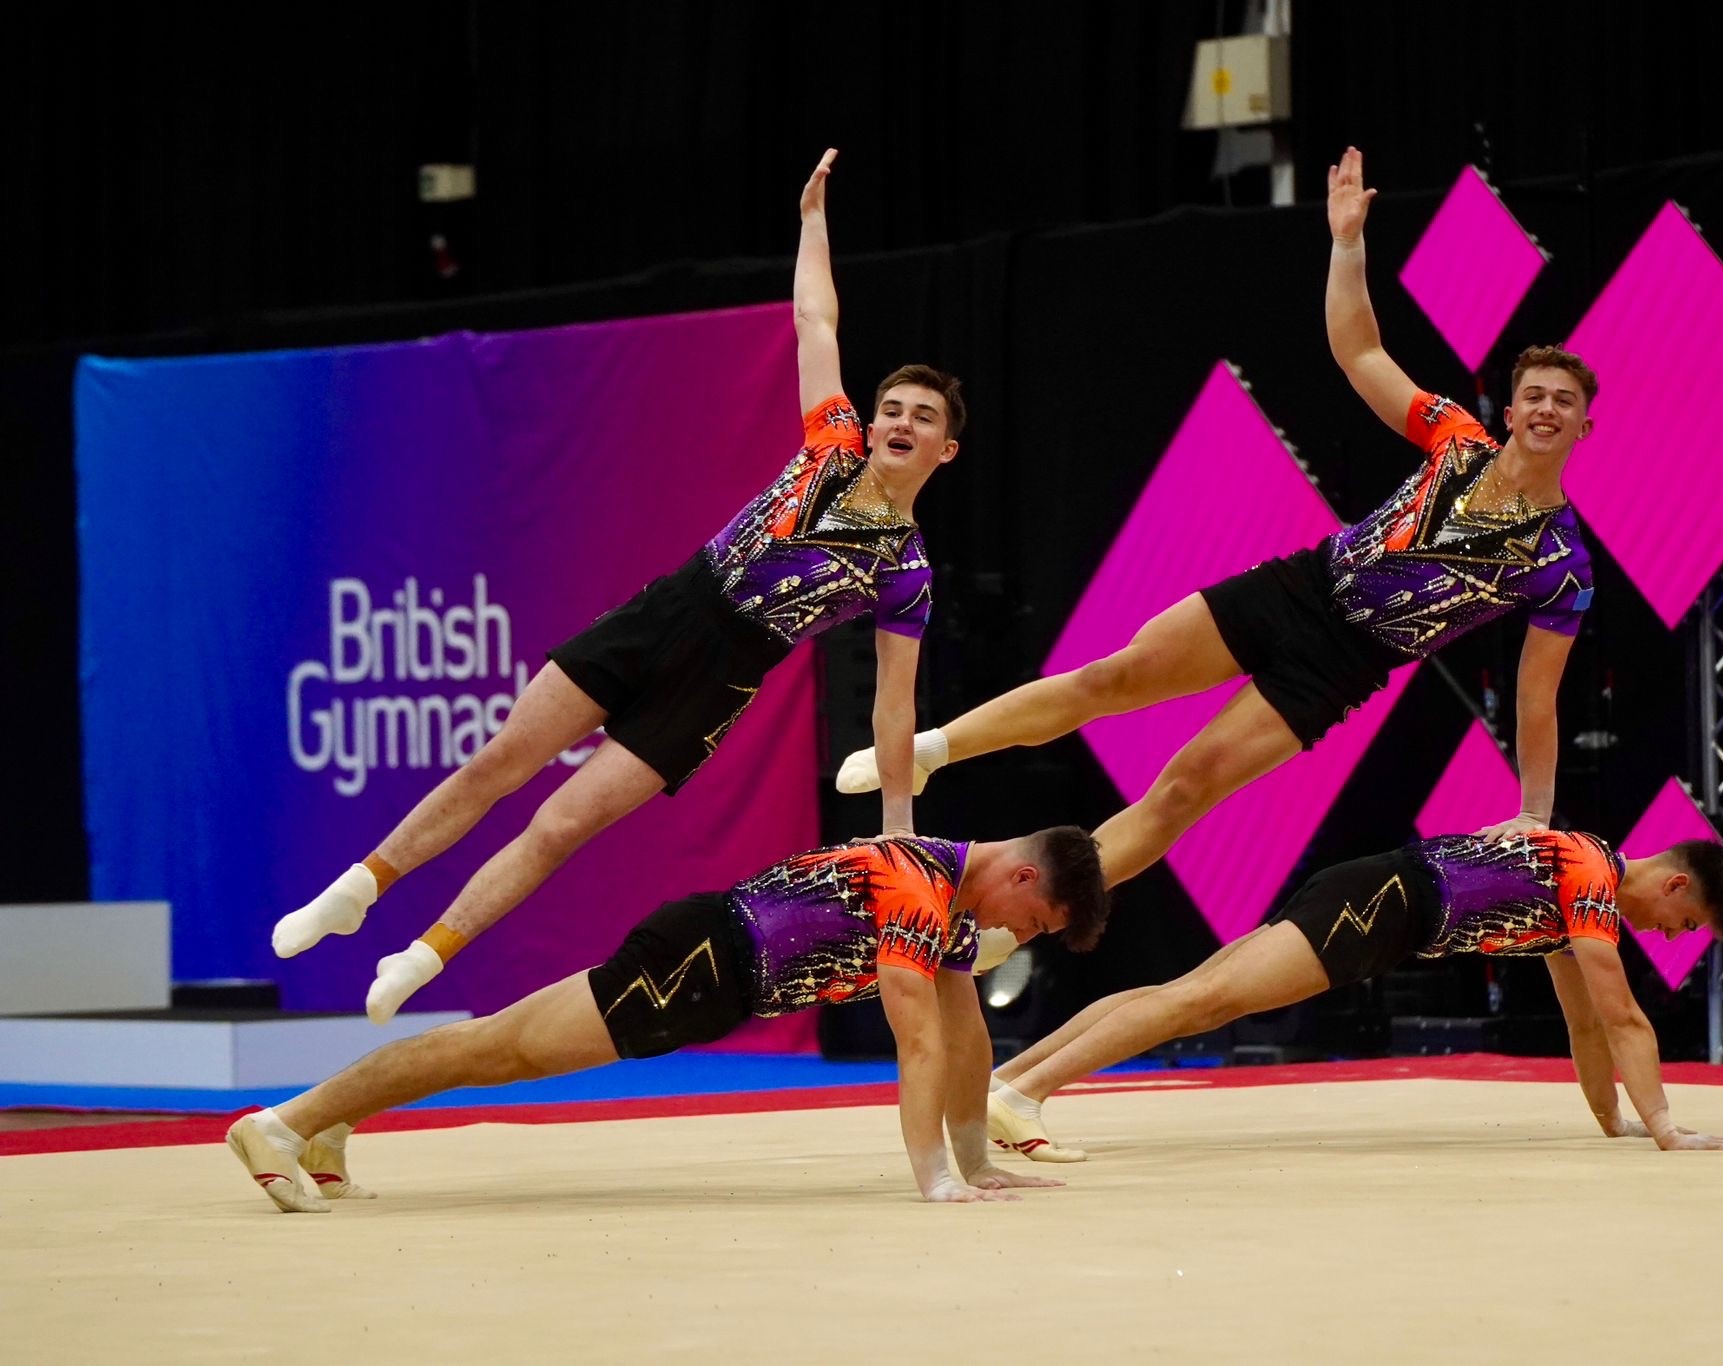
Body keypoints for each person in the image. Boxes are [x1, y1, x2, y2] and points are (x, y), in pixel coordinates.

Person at [271, 149, 967, 1023]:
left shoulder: (903, 573)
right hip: (667, 611)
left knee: (561, 827)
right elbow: (814, 320)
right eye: (893, 408)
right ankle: (359, 887)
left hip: (722, 678)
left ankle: (424, 953)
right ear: (872, 423)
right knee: (498, 763)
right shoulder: (829, 444)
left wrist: (897, 826)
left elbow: (892, 711)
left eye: (923, 418)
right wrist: (811, 221)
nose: (900, 422)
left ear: (944, 452)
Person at [837, 145, 1597, 889]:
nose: (1544, 409)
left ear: (1583, 428)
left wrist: (1533, 813)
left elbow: (1536, 696)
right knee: (1110, 677)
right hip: (1296, 588)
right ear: (1509, 405)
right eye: (1533, 393)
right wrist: (1344, 244)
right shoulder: (1456, 437)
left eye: (1563, 401)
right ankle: (931, 748)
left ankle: (1032, 911)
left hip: (1340, 666)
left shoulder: (1559, 564)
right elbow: (1359, 352)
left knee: (1182, 788)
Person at [228, 827, 1110, 1210]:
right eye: (1026, 922)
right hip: (695, 965)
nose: (1009, 934)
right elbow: (917, 1043)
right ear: (1024, 877)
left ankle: (326, 1124)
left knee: (492, 1050)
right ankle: (283, 1123)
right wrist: (936, 1181)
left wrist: (976, 1161)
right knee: (494, 1053)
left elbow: (965, 1038)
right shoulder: (919, 891)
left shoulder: (954, 905)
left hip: (711, 969)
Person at [983, 830, 1723, 1160]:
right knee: (1199, 1003)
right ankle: (1026, 1096)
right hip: (1382, 906)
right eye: (1681, 922)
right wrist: (1665, 1128)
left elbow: (1589, 1030)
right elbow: (1624, 1015)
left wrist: (1614, 1122)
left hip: (1378, 894)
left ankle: (1008, 1084)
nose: (1667, 935)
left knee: (1185, 990)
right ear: (1675, 882)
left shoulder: (1574, 902)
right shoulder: (1589, 880)